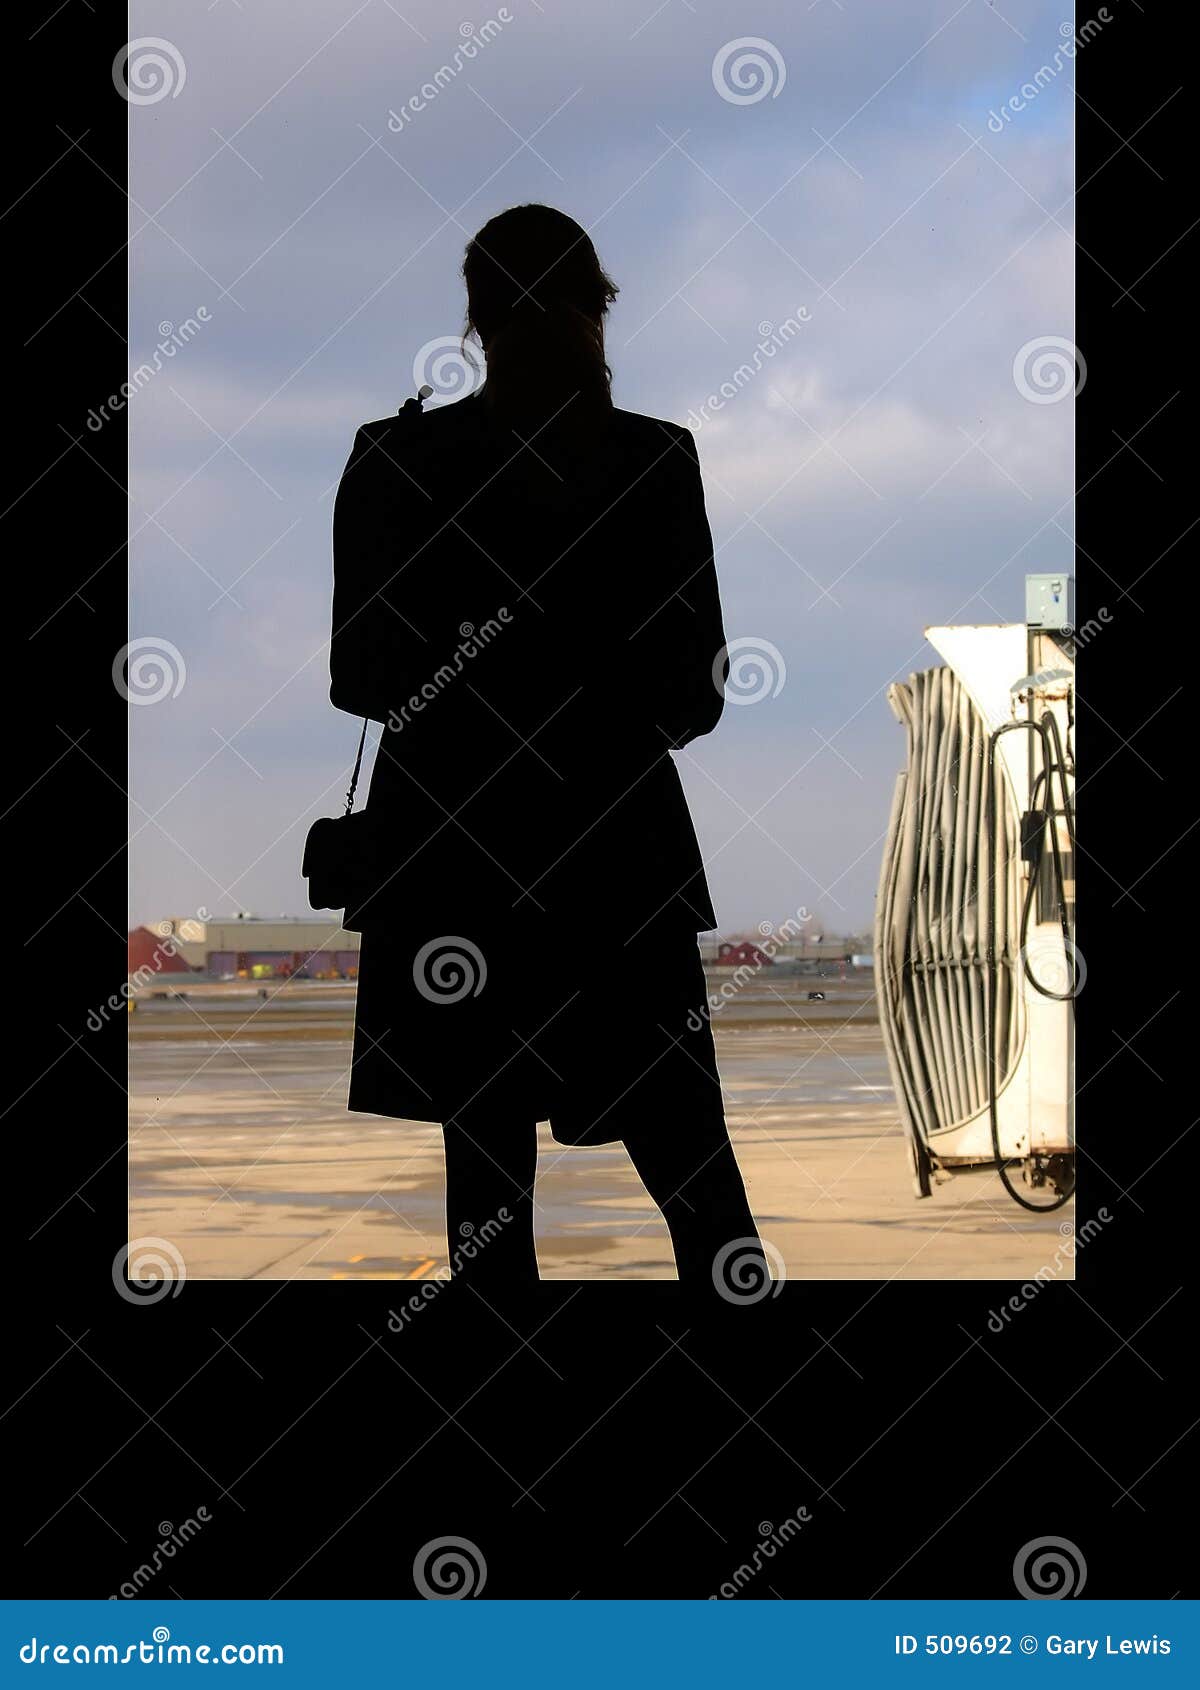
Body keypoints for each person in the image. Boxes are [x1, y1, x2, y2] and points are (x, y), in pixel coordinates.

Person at [328, 203, 765, 1288]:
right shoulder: (654, 460)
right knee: (695, 1168)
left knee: (484, 1180)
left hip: (451, 862)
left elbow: (361, 679)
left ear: (474, 318)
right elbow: (696, 693)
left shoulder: (397, 457)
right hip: (618, 859)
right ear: (597, 309)